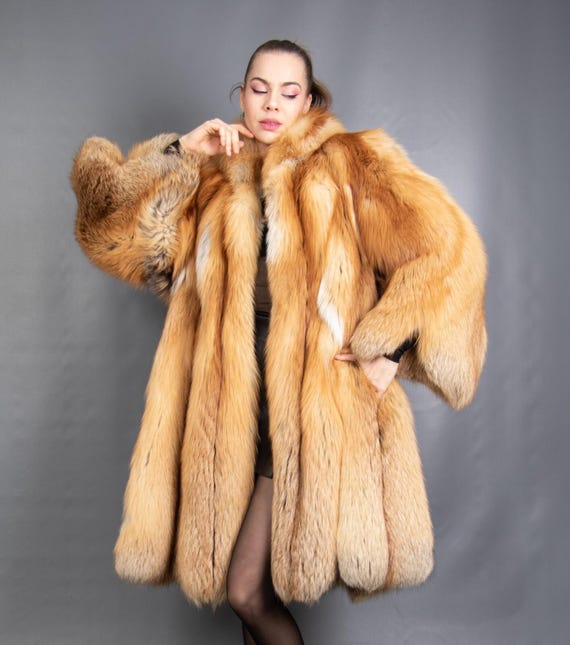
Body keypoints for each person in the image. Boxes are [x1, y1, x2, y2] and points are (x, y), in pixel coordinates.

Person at [71, 39, 487, 644]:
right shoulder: (209, 178)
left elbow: (448, 253)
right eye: (259, 89)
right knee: (250, 593)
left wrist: (390, 349)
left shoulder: (349, 162)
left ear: (310, 101)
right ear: (240, 95)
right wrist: (181, 154)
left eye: (289, 92)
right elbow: (114, 240)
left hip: (309, 406)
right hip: (226, 406)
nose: (271, 104)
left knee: (246, 590)